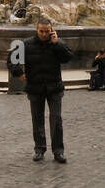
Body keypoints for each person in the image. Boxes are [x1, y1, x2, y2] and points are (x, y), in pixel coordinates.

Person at [9, 20, 72, 163]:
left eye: (47, 31)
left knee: (56, 120)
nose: (44, 34)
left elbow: (68, 58)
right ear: (36, 30)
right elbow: (12, 59)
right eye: (41, 31)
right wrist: (18, 73)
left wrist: (58, 44)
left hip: (54, 87)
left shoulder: (56, 43)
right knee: (37, 120)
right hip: (35, 87)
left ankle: (58, 151)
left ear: (52, 30)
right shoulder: (26, 44)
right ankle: (39, 149)